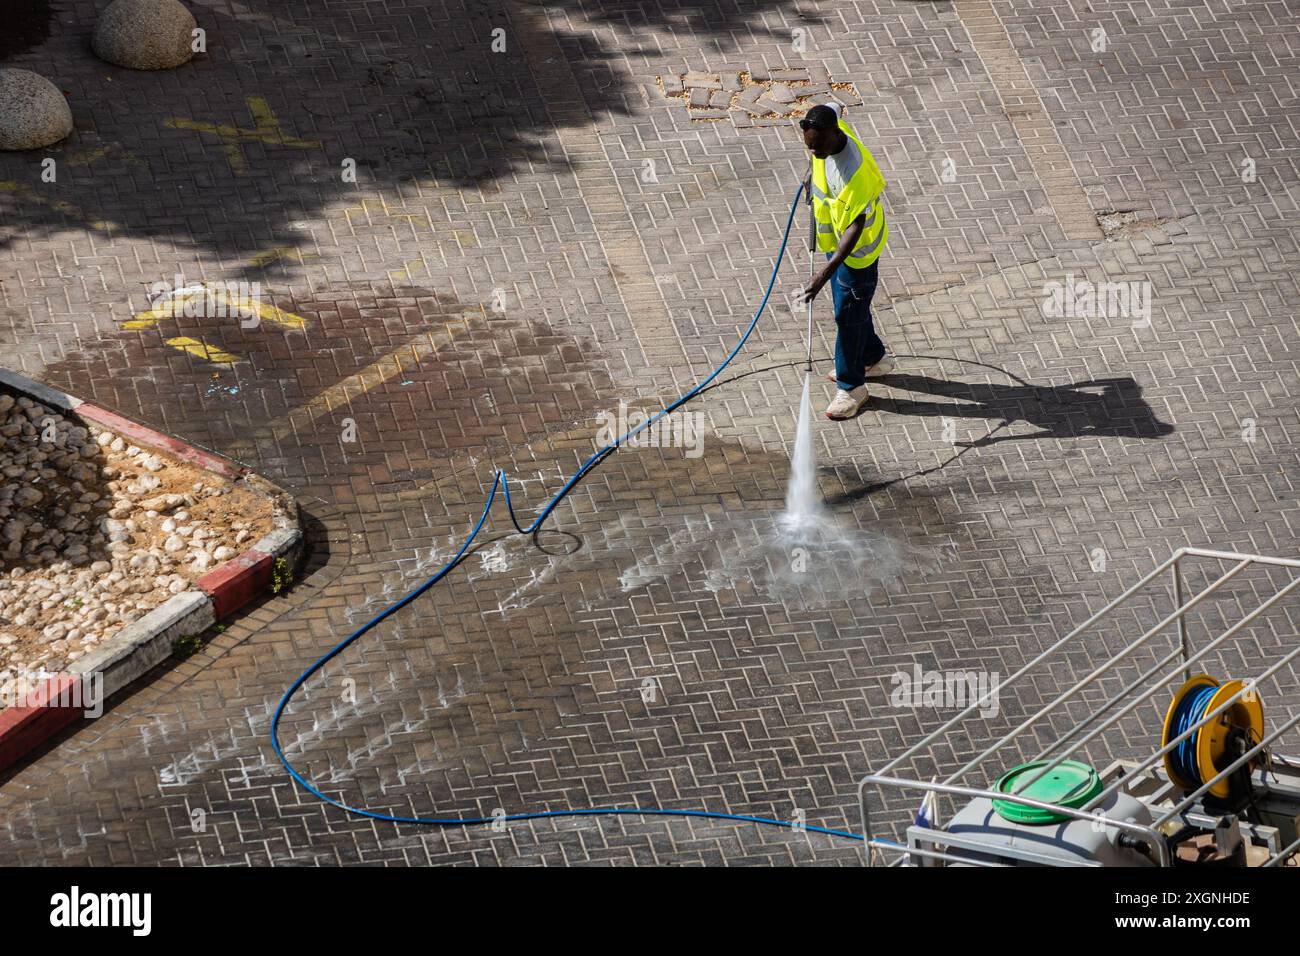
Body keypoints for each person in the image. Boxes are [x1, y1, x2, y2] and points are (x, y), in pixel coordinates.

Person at [800, 103, 893, 420]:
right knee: (852, 309)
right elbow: (833, 104)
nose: (813, 151)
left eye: (817, 146)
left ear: (833, 133)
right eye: (808, 145)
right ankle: (871, 357)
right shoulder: (828, 135)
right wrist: (811, 172)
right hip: (834, 245)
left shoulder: (856, 175)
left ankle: (852, 387)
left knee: (847, 315)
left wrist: (823, 275)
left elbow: (855, 228)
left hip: (856, 256)